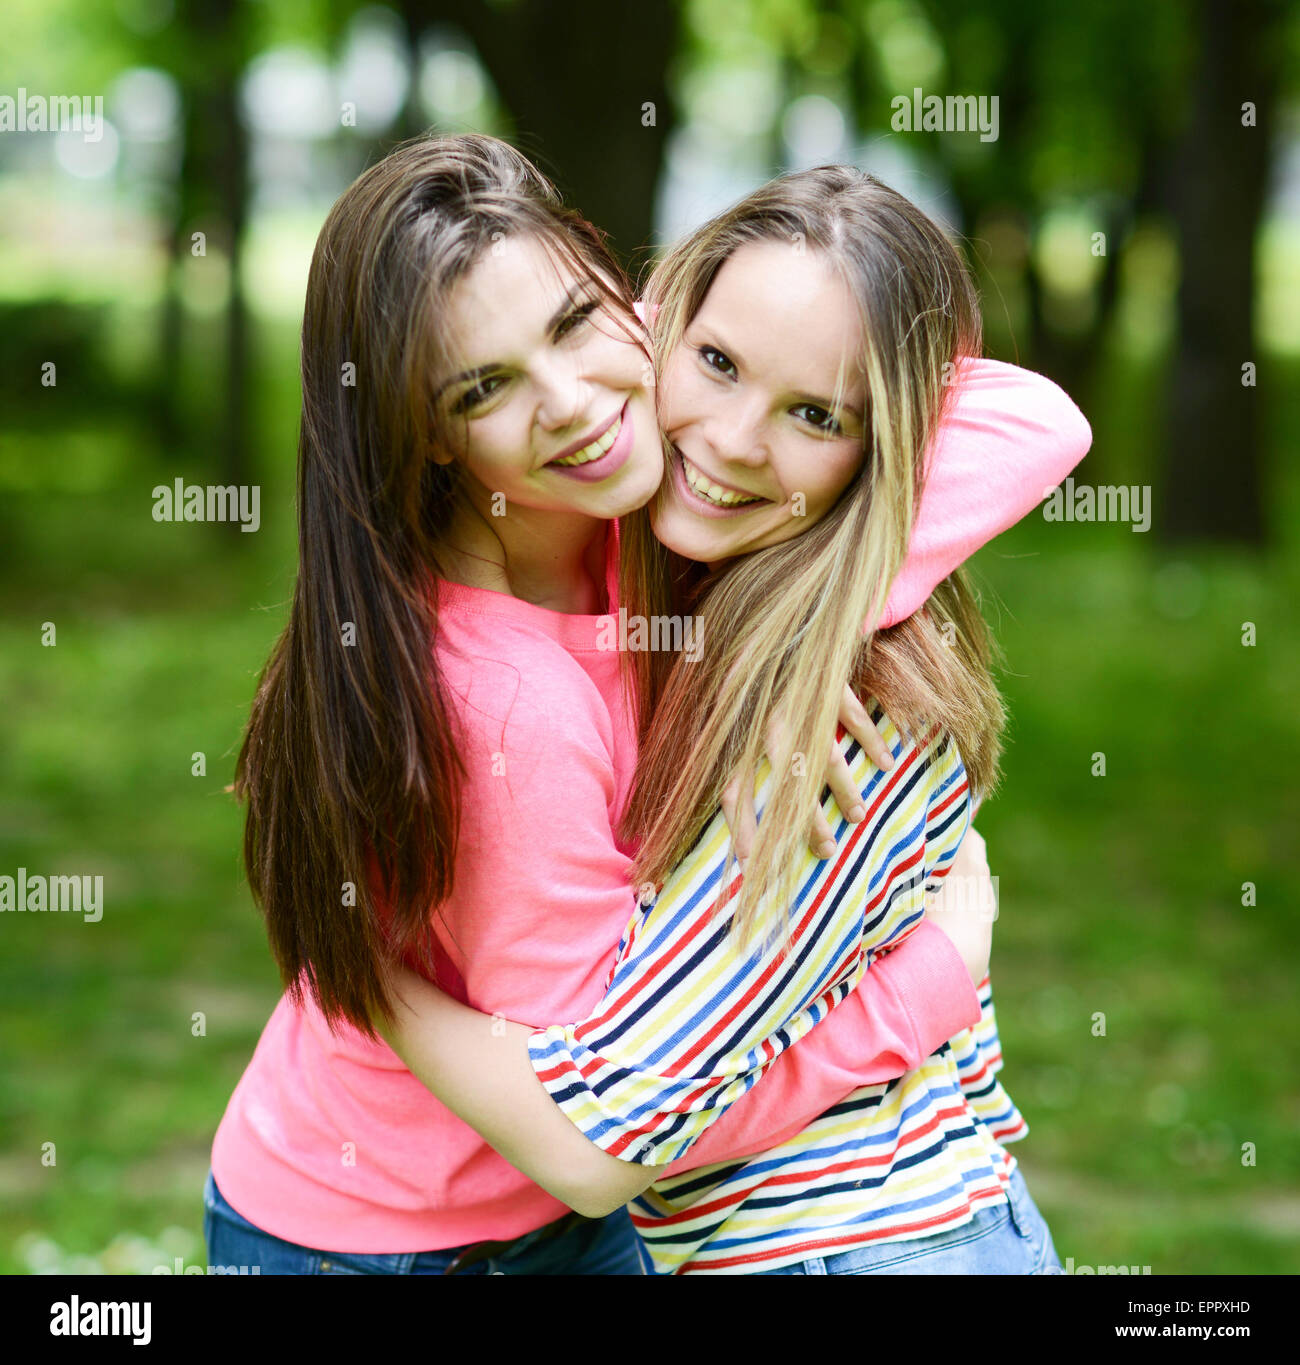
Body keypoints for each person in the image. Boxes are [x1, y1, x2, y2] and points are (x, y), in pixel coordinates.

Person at [206, 135, 1088, 1275]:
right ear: (428, 430)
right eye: (485, 386)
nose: (574, 402)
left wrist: (814, 622)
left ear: (631, 298)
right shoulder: (512, 700)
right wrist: (926, 984)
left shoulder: (646, 489)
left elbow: (1032, 421)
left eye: (576, 323)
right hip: (397, 1229)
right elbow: (602, 1130)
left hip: (574, 1219)